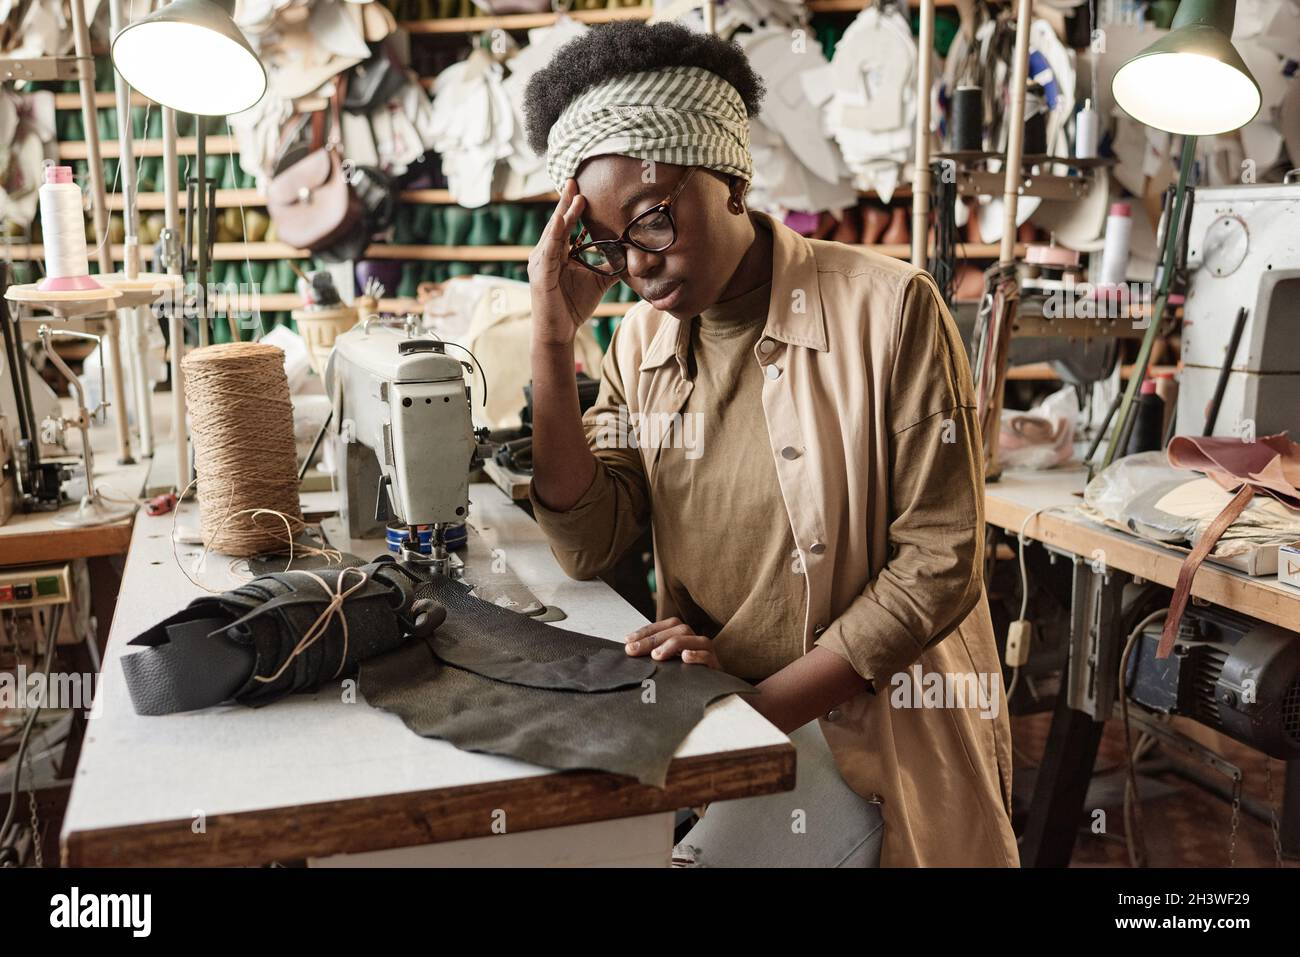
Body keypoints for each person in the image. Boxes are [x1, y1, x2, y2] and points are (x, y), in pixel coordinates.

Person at [521, 21, 1018, 867]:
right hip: (722, 707)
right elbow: (591, 538)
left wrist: (748, 714)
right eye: (607, 245)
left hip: (866, 724)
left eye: (652, 221)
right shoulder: (639, 343)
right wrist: (551, 335)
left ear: (733, 181)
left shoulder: (889, 310)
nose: (636, 267)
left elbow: (939, 563)